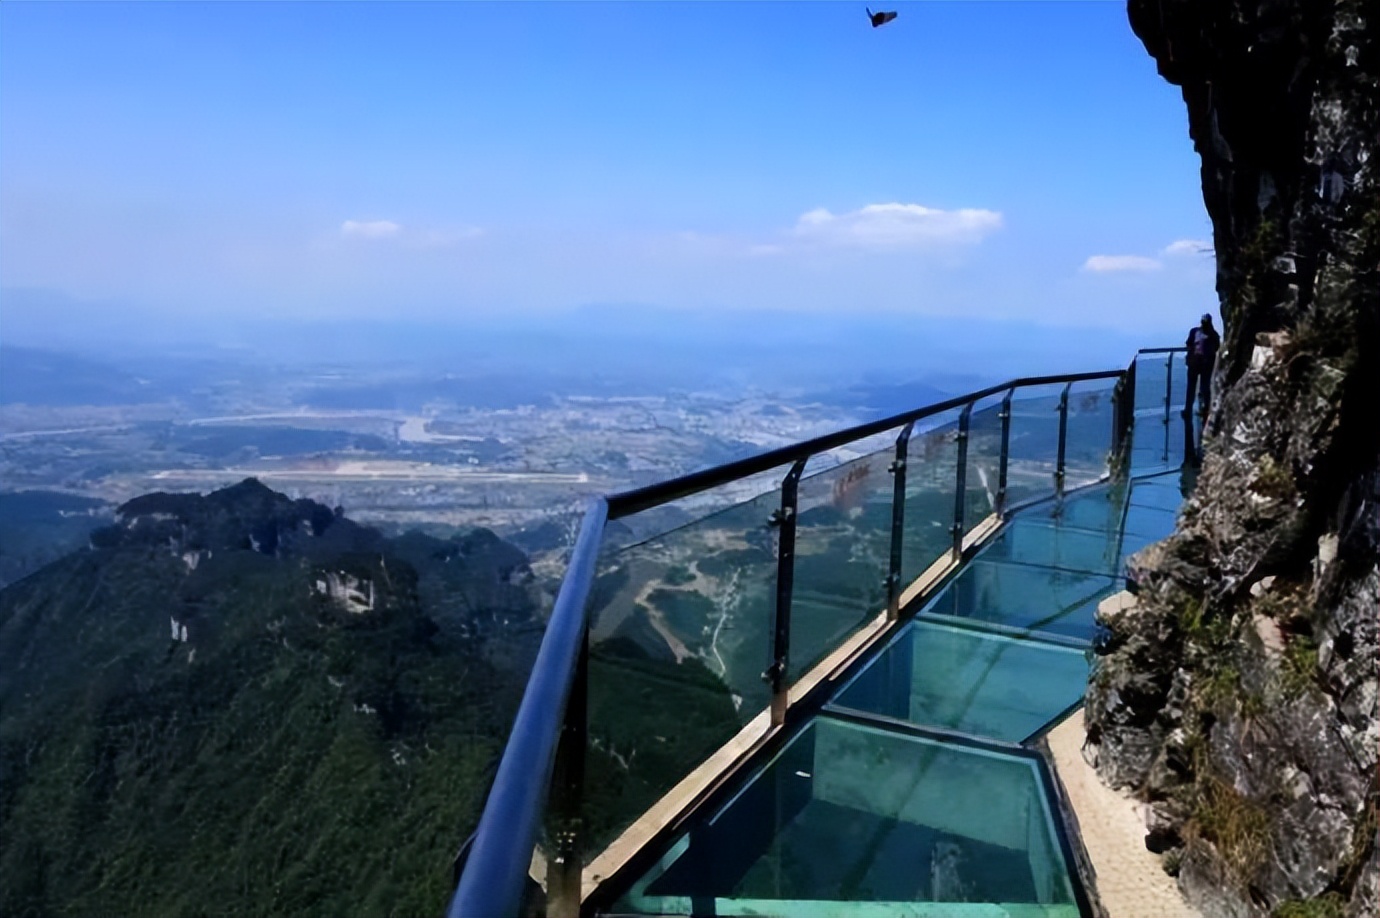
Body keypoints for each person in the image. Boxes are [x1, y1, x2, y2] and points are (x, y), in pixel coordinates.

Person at [1184, 313, 1220, 418]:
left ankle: (1193, 409)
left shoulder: (1196, 332)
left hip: (1201, 363)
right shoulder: (1213, 335)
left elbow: (1189, 343)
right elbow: (1216, 347)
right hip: (1199, 362)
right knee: (1202, 386)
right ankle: (1202, 409)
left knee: (1199, 386)